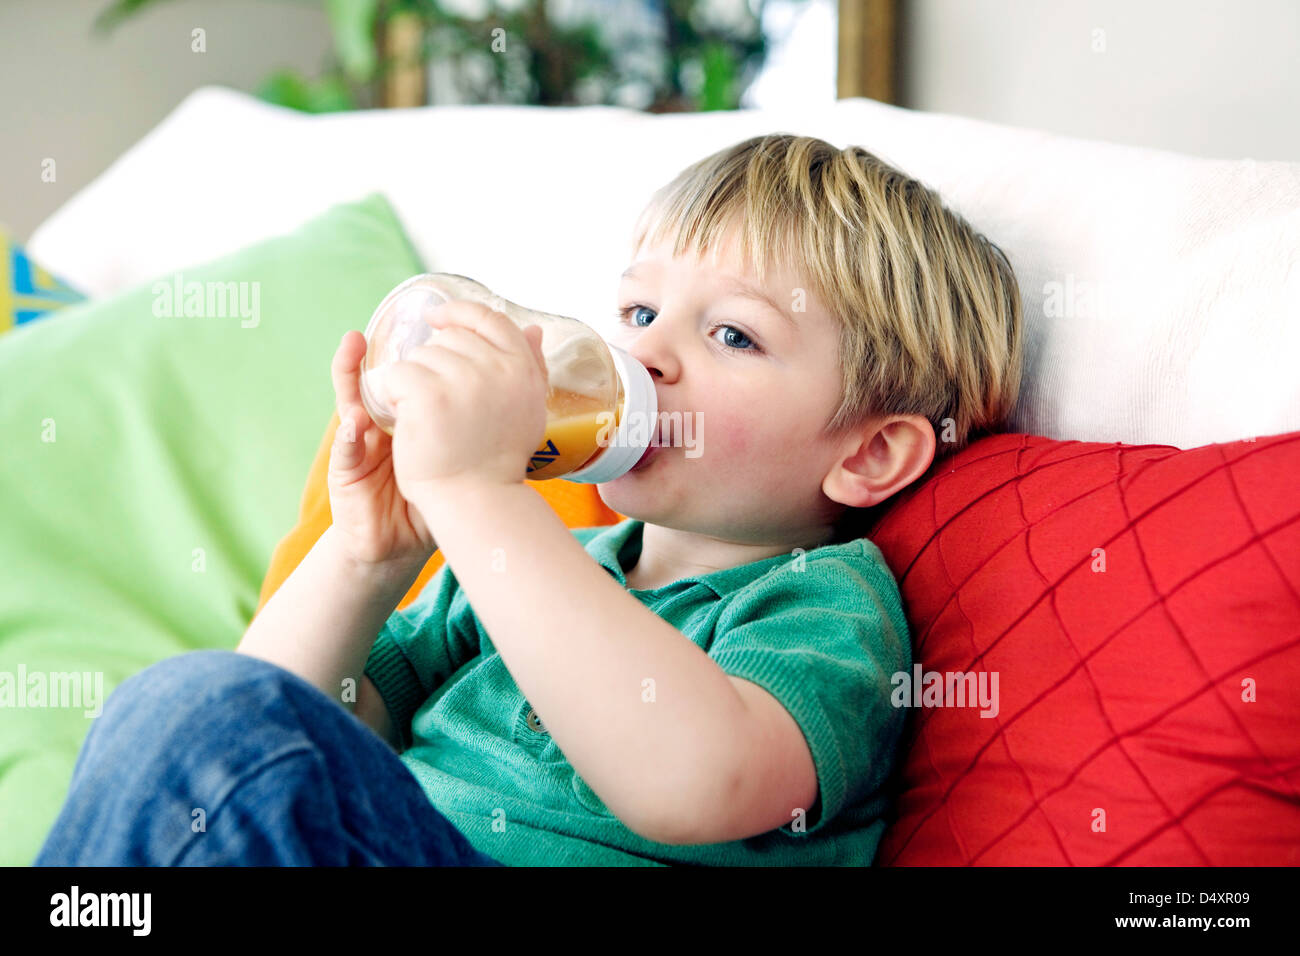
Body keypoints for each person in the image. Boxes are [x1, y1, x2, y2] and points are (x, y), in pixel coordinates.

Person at [35, 133, 1022, 866]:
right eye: (637, 310)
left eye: (731, 335)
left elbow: (698, 779)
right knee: (181, 704)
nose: (643, 352)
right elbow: (279, 728)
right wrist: (363, 555)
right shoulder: (520, 575)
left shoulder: (821, 603)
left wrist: (477, 494)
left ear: (868, 454)